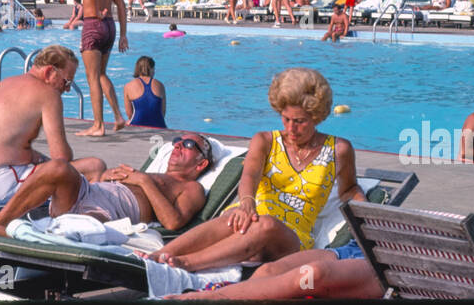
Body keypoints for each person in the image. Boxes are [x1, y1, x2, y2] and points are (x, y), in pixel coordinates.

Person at [147, 68, 363, 273]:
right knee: (234, 214)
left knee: (266, 224)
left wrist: (368, 215)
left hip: (291, 237)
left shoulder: (338, 150)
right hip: (248, 215)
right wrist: (247, 202)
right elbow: (250, 175)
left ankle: (187, 263)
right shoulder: (265, 141)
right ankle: (158, 255)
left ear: (316, 117)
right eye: (285, 119)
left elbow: (349, 189)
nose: (291, 129)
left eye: (300, 122)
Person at [0, 132, 213, 244]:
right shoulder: (153, 171)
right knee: (57, 168)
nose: (178, 145)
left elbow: (172, 223)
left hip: (108, 217)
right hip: (91, 192)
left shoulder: (192, 189)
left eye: (189, 144)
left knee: (78, 234)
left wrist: (143, 181)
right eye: (177, 141)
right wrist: (107, 176)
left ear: (201, 163)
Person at [0, 45, 83, 203]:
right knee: (93, 166)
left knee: (47, 163)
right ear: (49, 72)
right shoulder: (48, 94)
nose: (66, 89)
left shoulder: (7, 83)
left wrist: (35, 157)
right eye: (66, 82)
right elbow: (61, 158)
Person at [172, 241, 382, 300]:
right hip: (358, 247)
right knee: (269, 270)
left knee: (312, 275)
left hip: (388, 264)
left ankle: (212, 298)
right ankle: (224, 304)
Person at [73, 0, 128, 136]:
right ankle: (118, 117)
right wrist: (123, 35)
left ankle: (98, 126)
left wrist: (95, 10)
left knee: (92, 77)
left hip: (93, 24)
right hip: (110, 27)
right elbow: (121, 4)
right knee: (102, 74)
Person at [123, 55, 167, 128]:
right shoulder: (160, 85)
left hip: (137, 124)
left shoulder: (128, 86)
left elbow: (129, 114)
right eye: (154, 69)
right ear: (151, 69)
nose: (154, 71)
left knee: (126, 123)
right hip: (159, 125)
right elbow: (163, 112)